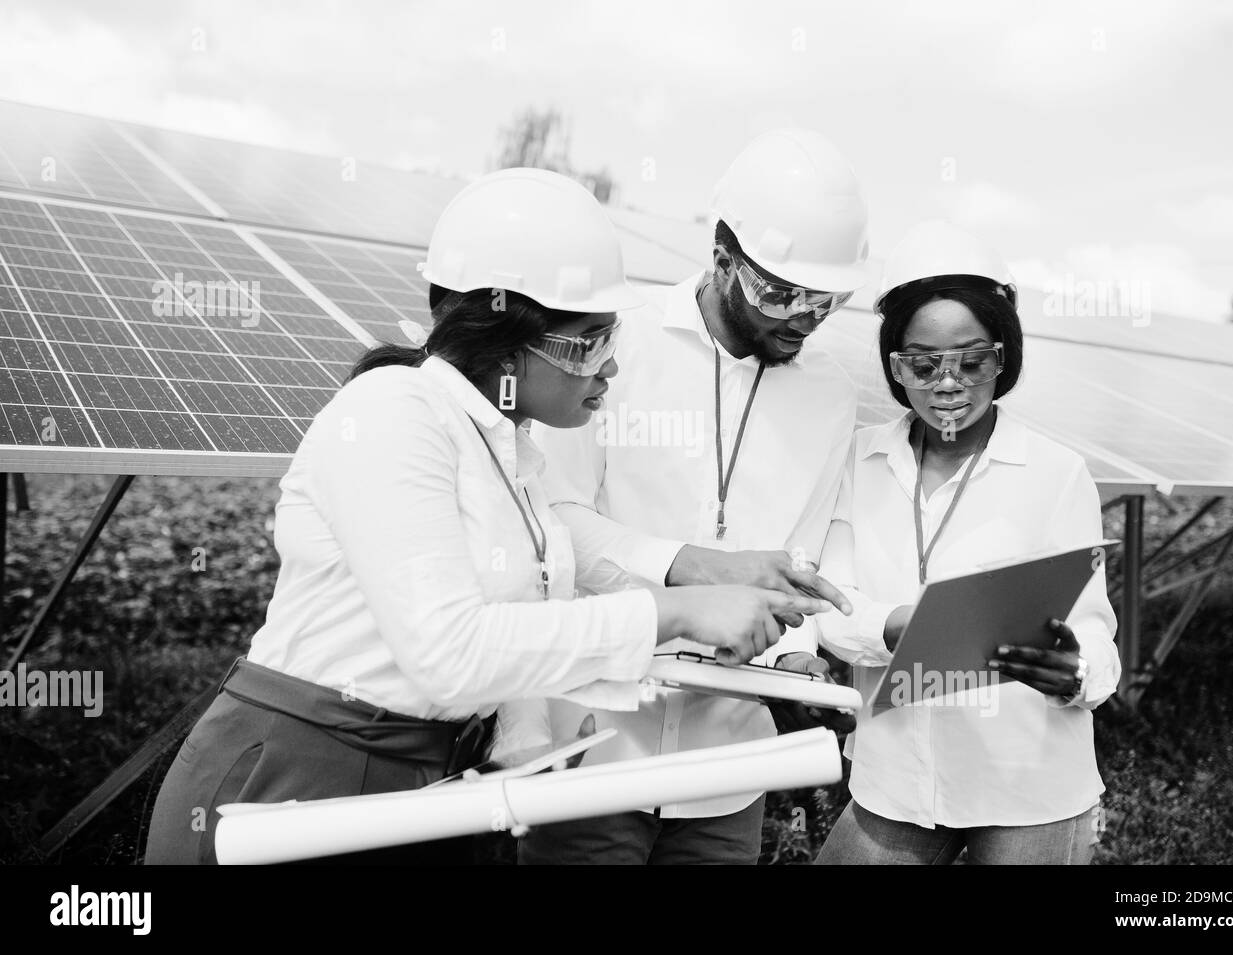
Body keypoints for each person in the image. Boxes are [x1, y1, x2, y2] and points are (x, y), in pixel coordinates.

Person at [143, 168, 828, 865]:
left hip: (427, 786)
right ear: (505, 340)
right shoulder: (394, 414)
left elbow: (528, 637)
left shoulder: (516, 457)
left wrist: (712, 637)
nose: (610, 370)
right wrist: (676, 613)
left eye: (610, 338)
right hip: (301, 781)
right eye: (587, 343)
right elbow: (449, 652)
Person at [510, 129, 870, 866]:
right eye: (779, 290)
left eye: (826, 299)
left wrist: (797, 654)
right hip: (593, 745)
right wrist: (687, 566)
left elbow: (799, 559)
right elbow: (552, 525)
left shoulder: (832, 395)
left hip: (728, 771)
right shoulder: (612, 350)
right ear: (722, 256)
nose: (802, 313)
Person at [811, 220, 1121, 865]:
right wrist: (904, 626)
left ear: (1003, 357)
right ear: (894, 366)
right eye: (922, 364)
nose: (947, 383)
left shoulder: (1055, 473)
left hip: (1027, 789)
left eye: (971, 361)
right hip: (894, 779)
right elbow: (831, 603)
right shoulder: (856, 463)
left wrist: (1076, 672)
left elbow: (1095, 637)